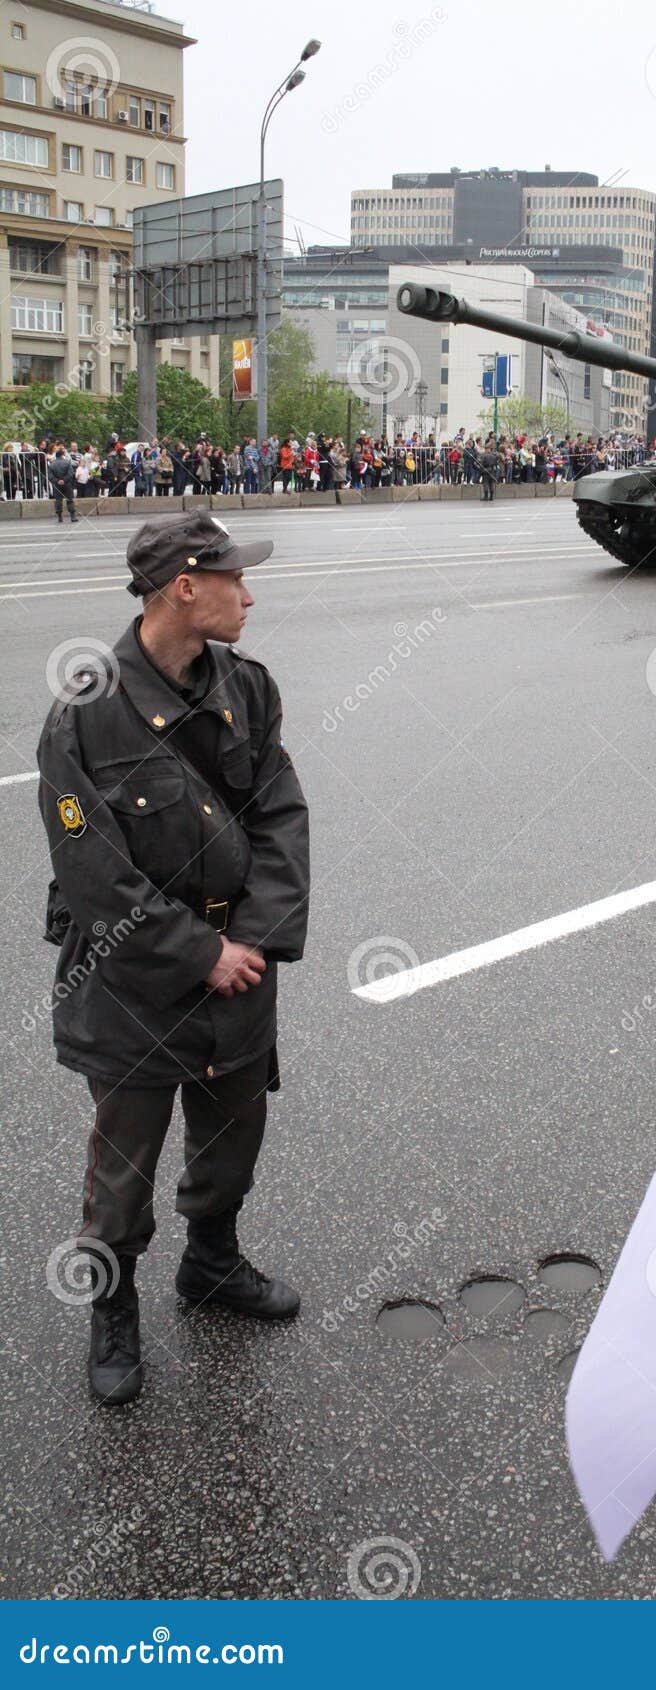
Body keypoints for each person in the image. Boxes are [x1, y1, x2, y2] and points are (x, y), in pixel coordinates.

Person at [36, 509, 311, 1406]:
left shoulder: (248, 686)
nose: (250, 593)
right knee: (124, 1164)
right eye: (235, 577)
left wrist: (252, 942)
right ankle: (112, 1311)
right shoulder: (86, 708)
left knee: (234, 1134)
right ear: (184, 587)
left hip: (240, 965)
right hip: (131, 976)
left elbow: (280, 816)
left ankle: (212, 1264)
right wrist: (199, 953)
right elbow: (91, 874)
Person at [49, 445, 78, 523]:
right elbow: (71, 473)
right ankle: (73, 516)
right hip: (67, 484)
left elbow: (50, 476)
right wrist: (64, 480)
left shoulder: (52, 464)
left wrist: (57, 481)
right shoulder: (67, 463)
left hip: (57, 484)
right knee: (70, 500)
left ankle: (59, 517)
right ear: (62, 455)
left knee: (58, 500)